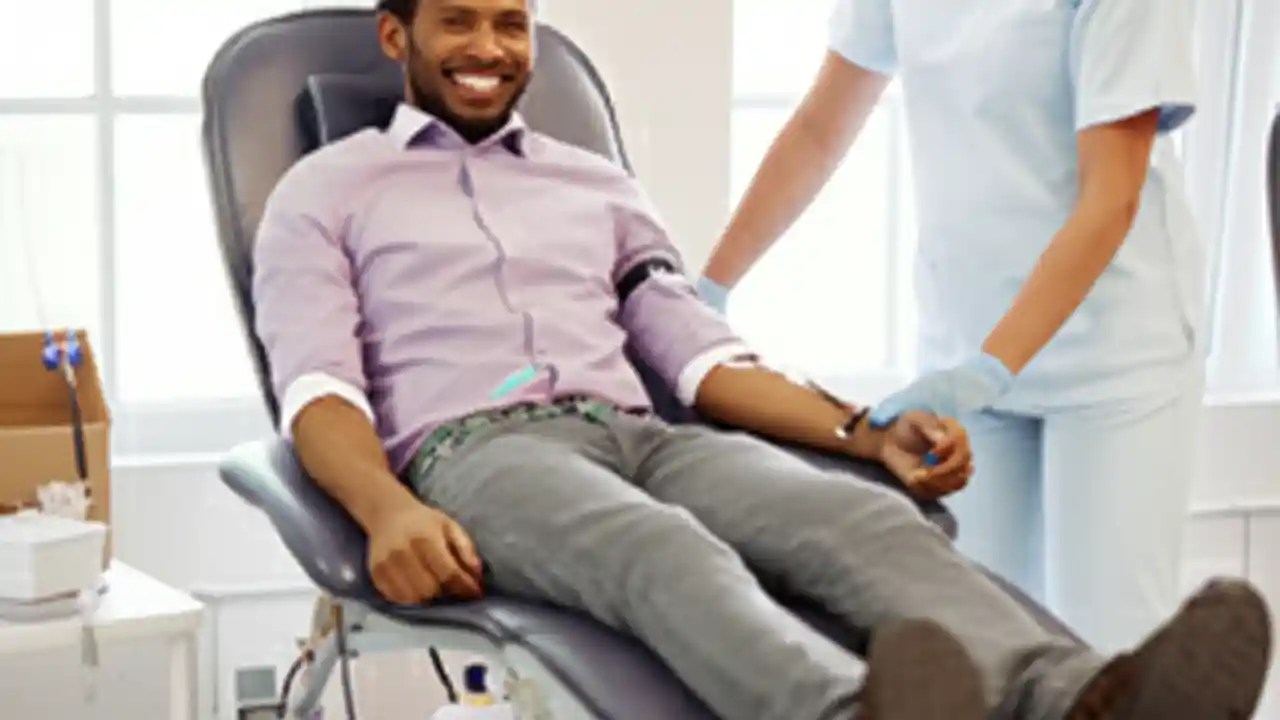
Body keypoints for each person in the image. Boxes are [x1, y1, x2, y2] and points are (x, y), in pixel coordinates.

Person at [253, 1, 1272, 718]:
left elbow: (694, 352)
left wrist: (863, 436)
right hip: (479, 452)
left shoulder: (593, 184)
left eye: (509, 22)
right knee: (658, 549)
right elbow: (319, 389)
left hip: (642, 433)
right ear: (397, 36)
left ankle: (1081, 697)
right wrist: (386, 510)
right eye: (457, 21)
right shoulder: (326, 192)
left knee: (857, 517)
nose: (488, 46)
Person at [697, 0, 1209, 653]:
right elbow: (820, 128)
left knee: (1109, 650)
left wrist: (990, 368)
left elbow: (1111, 197)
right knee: (978, 644)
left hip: (1112, 354)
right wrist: (708, 290)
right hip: (965, 340)